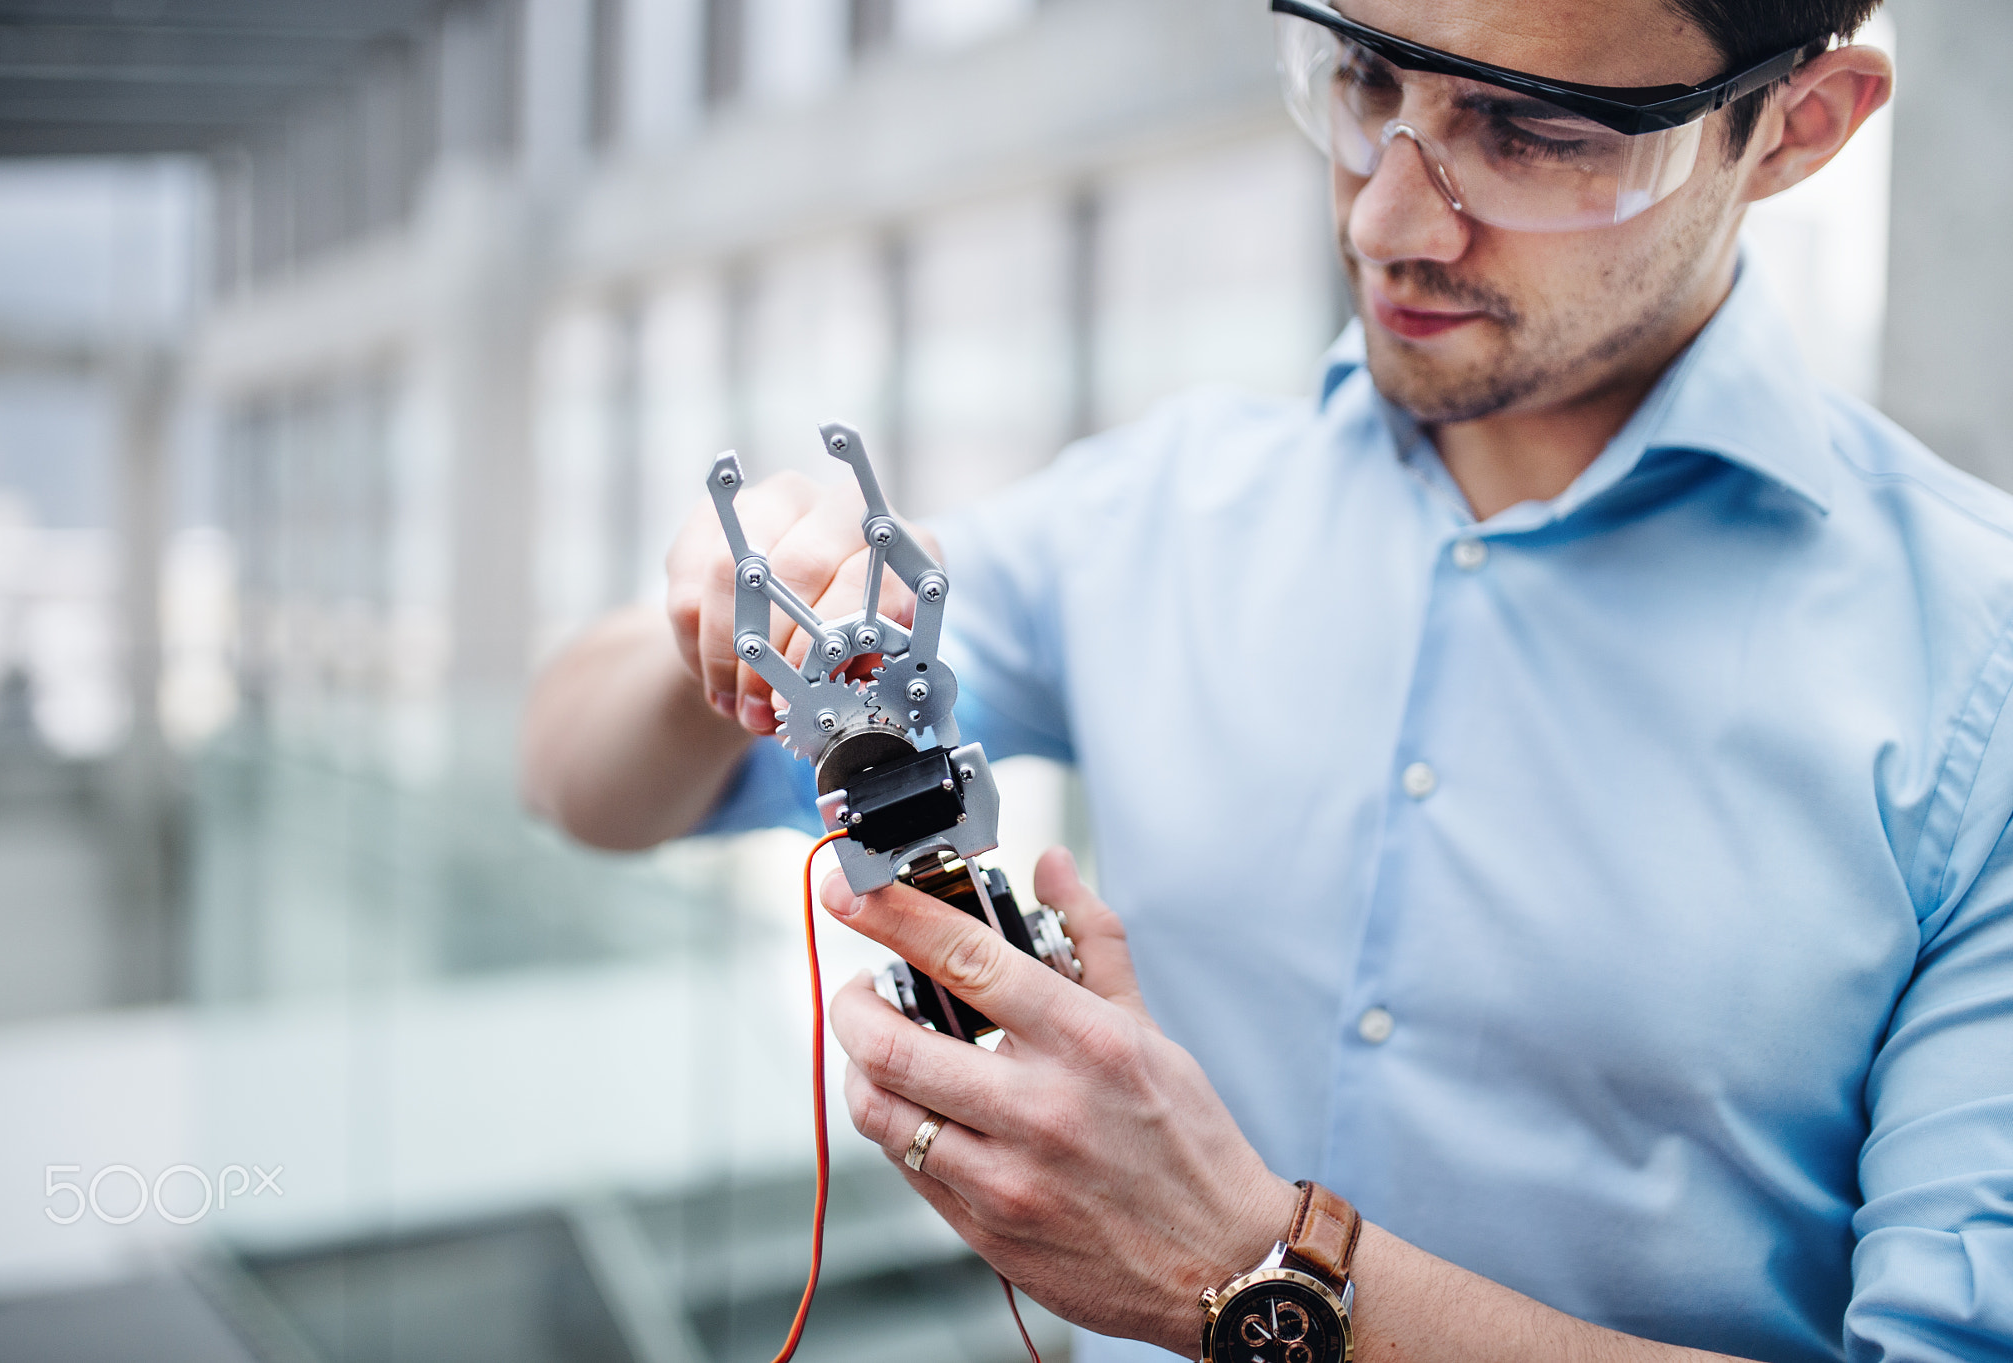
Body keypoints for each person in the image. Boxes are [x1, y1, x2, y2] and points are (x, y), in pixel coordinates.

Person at [522, 0, 2013, 1358]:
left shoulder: (1981, 671)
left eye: (1536, 131)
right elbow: (580, 780)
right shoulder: (1160, 510)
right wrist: (712, 619)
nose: (1388, 216)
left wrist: (1247, 1269)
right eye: (1365, 82)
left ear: (1799, 128)